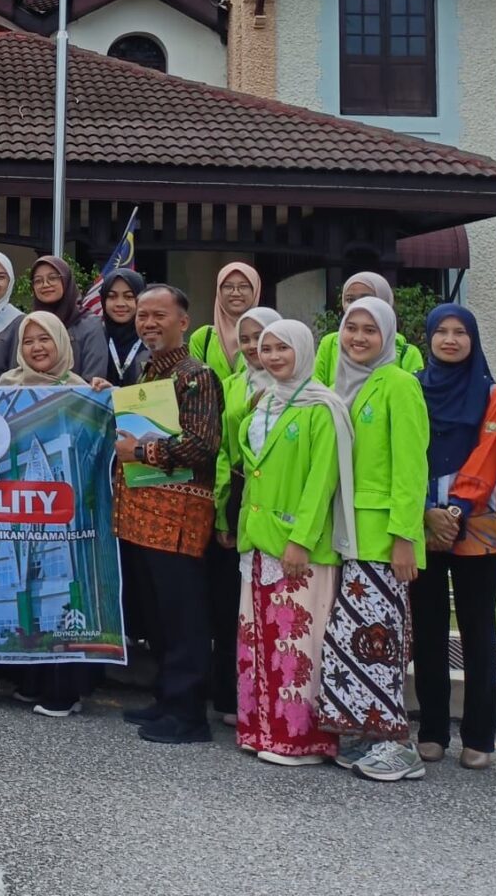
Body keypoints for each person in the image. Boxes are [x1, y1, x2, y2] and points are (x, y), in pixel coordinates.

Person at [316, 295, 430, 782]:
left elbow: (411, 466)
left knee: (380, 641)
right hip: (352, 535)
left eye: (370, 330)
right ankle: (364, 732)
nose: (358, 338)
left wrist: (406, 535)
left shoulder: (399, 384)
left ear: (387, 337)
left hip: (383, 538)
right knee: (353, 641)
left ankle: (397, 744)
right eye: (351, 328)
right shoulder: (350, 384)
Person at [232, 318, 354, 765]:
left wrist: (302, 538)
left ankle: (300, 739)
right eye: (268, 349)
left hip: (298, 545)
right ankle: (261, 729)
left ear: (302, 351)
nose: (275, 357)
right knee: (257, 635)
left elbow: (323, 480)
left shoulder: (322, 407)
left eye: (284, 348)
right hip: (258, 538)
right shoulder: (262, 403)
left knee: (295, 642)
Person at [111, 284, 223, 743]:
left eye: (159, 315)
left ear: (183, 322)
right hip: (142, 512)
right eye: (142, 316)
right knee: (156, 614)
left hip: (178, 516)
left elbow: (202, 444)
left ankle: (189, 713)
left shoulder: (196, 375)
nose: (149, 323)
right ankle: (166, 697)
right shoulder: (145, 371)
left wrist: (140, 449)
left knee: (182, 616)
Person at [412, 303, 496, 769]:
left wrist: (454, 509)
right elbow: (407, 453)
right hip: (422, 524)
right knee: (427, 630)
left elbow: (489, 455)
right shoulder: (412, 389)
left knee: (477, 630)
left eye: (461, 332)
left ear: (473, 339)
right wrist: (427, 511)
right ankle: (432, 730)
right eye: (442, 331)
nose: (450, 340)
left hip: (477, 526)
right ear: (428, 338)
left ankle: (479, 737)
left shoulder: (493, 395)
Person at [0, 312, 88, 716]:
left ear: (62, 342)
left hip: (66, 506)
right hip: (20, 507)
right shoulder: (6, 386)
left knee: (61, 591)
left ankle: (64, 691)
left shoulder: (81, 389)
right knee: (27, 590)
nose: (36, 348)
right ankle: (31, 681)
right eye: (29, 340)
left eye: (45, 339)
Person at [207, 303, 282, 720]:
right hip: (236, 495)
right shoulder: (233, 384)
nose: (255, 347)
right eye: (248, 338)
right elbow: (222, 450)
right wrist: (221, 513)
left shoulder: (300, 387)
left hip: (277, 504)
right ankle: (231, 700)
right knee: (231, 608)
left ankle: (273, 706)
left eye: (263, 338)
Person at [0, 255, 110, 383]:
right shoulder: (26, 323)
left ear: (66, 280)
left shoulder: (89, 324)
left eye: (53, 278)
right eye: (38, 280)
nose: (45, 284)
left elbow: (93, 379)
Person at [313, 271, 425, 383]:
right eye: (350, 300)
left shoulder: (407, 353)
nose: (357, 305)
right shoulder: (329, 344)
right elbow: (315, 390)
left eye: (367, 298)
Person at [189, 262, 261, 389]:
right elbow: (194, 384)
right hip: (211, 408)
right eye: (228, 287)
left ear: (255, 290)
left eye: (243, 287)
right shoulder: (203, 338)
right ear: (219, 291)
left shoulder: (269, 335)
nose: (236, 293)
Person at [98, 267, 148, 388]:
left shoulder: (152, 339)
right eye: (112, 296)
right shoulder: (95, 338)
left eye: (129, 296)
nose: (120, 304)